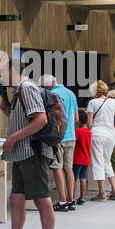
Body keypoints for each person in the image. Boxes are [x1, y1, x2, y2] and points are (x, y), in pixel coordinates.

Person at [0, 57, 56, 229]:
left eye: (3, 71)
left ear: (13, 70)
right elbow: (27, 121)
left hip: (33, 152)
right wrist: (8, 113)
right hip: (21, 153)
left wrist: (13, 138)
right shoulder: (17, 93)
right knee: (16, 198)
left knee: (42, 199)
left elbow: (40, 119)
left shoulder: (27, 88)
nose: (0, 76)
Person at [40, 74, 77, 212]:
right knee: (69, 168)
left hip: (58, 136)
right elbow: (76, 118)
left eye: (43, 87)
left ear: (48, 85)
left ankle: (62, 202)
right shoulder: (71, 93)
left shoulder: (51, 94)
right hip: (71, 135)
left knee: (57, 168)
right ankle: (71, 200)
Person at [86, 81, 115, 200]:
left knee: (98, 162)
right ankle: (114, 190)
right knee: (107, 161)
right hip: (111, 135)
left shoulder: (92, 103)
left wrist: (92, 124)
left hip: (97, 134)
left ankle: (102, 192)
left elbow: (89, 124)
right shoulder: (114, 102)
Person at [73, 111, 92, 204]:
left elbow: (74, 142)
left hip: (77, 158)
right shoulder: (89, 131)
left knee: (74, 178)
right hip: (86, 158)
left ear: (79, 121)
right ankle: (82, 198)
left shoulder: (78, 131)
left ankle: (72, 197)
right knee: (83, 178)